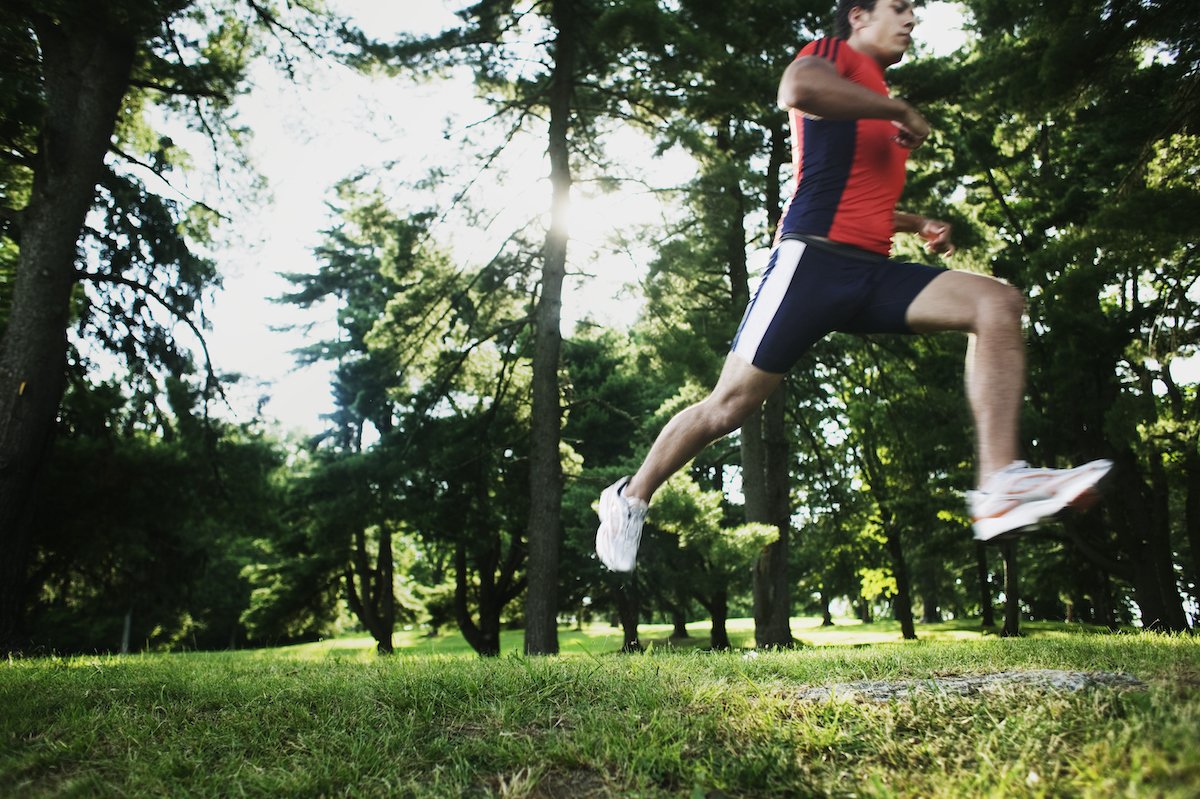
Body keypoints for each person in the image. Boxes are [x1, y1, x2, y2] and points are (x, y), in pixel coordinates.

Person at [594, 0, 1111, 572]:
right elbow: (797, 89)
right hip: (811, 264)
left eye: (915, 11)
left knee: (997, 303)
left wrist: (916, 224)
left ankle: (999, 485)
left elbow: (860, 198)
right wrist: (898, 108)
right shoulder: (832, 56)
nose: (912, 19)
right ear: (859, 17)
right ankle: (630, 495)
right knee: (728, 407)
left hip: (872, 272)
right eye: (899, 7)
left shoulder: (873, 99)